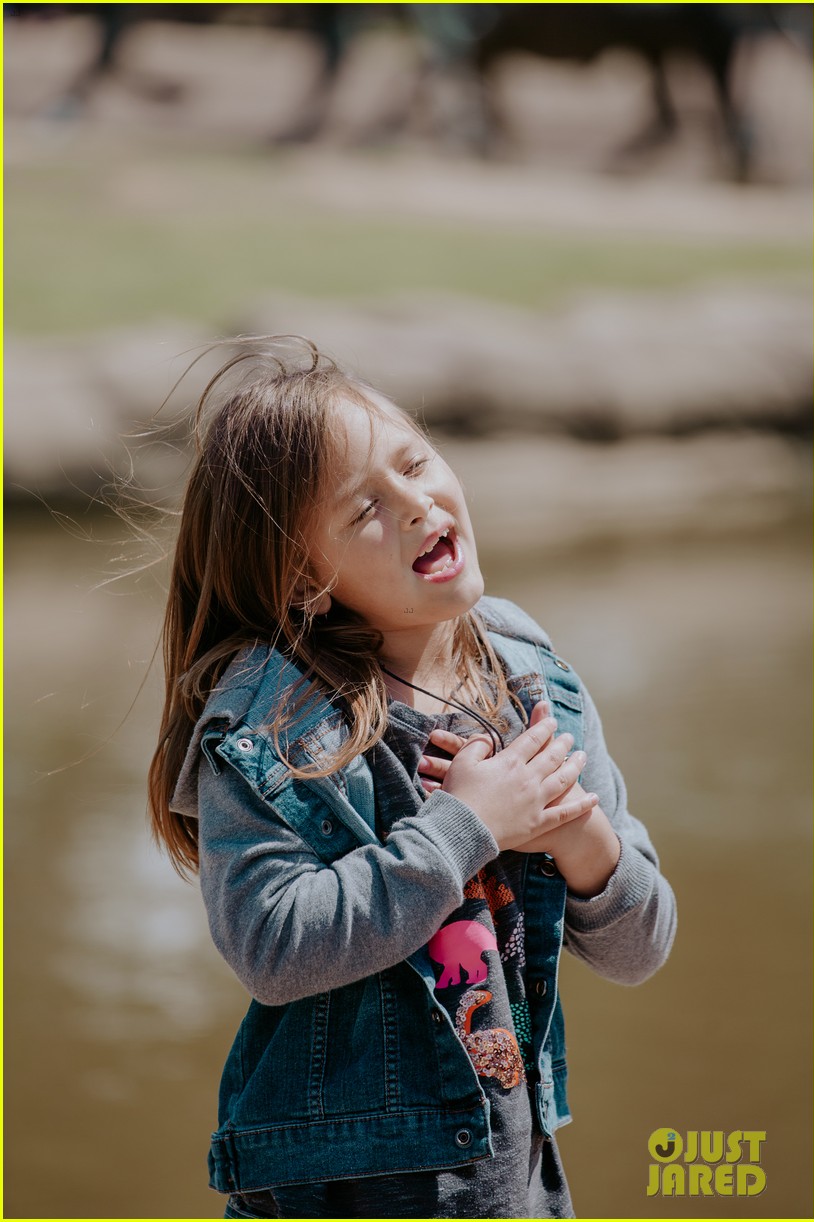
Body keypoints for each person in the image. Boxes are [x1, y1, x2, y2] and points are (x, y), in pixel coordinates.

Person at [149, 337, 676, 1219]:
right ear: (303, 580)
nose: (418, 503)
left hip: (513, 1182)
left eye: (416, 462)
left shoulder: (526, 675)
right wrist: (466, 827)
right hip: (341, 1191)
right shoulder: (275, 726)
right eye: (365, 509)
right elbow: (273, 950)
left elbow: (640, 948)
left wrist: (578, 838)